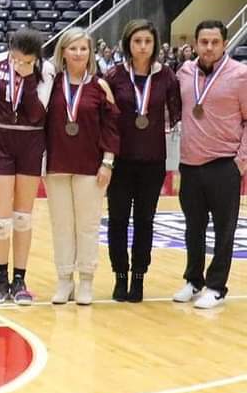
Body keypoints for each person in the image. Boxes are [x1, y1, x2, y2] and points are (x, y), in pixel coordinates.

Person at [105, 19, 181, 303]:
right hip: (121, 161)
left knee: (145, 221)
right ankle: (120, 275)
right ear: (128, 44)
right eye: (137, 41)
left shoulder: (167, 77)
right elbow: (106, 119)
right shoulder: (114, 76)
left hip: (152, 160)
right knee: (117, 221)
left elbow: (176, 114)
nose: (143, 46)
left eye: (148, 41)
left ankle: (139, 277)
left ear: (155, 44)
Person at [173, 19, 247, 309]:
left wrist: (239, 163)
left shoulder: (241, 75)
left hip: (224, 164)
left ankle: (216, 286)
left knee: (224, 229)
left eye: (215, 42)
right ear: (195, 43)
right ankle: (193, 280)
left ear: (225, 43)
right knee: (193, 227)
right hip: (190, 164)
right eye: (204, 42)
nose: (209, 47)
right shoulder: (184, 71)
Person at [0, 28, 56, 304]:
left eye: (28, 60)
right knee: (0, 218)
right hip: (0, 142)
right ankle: (0, 279)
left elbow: (38, 113)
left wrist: (29, 80)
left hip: (31, 143)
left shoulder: (46, 70)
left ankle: (20, 279)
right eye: (17, 59)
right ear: (10, 49)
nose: (21, 64)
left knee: (23, 217)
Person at [45, 28, 119, 306]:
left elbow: (112, 128)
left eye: (83, 49)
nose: (78, 53)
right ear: (63, 52)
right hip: (56, 165)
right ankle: (64, 279)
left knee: (87, 225)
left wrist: (108, 162)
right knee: (61, 226)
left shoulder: (100, 86)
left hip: (91, 166)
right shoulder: (51, 84)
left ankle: (86, 279)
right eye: (73, 48)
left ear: (90, 53)